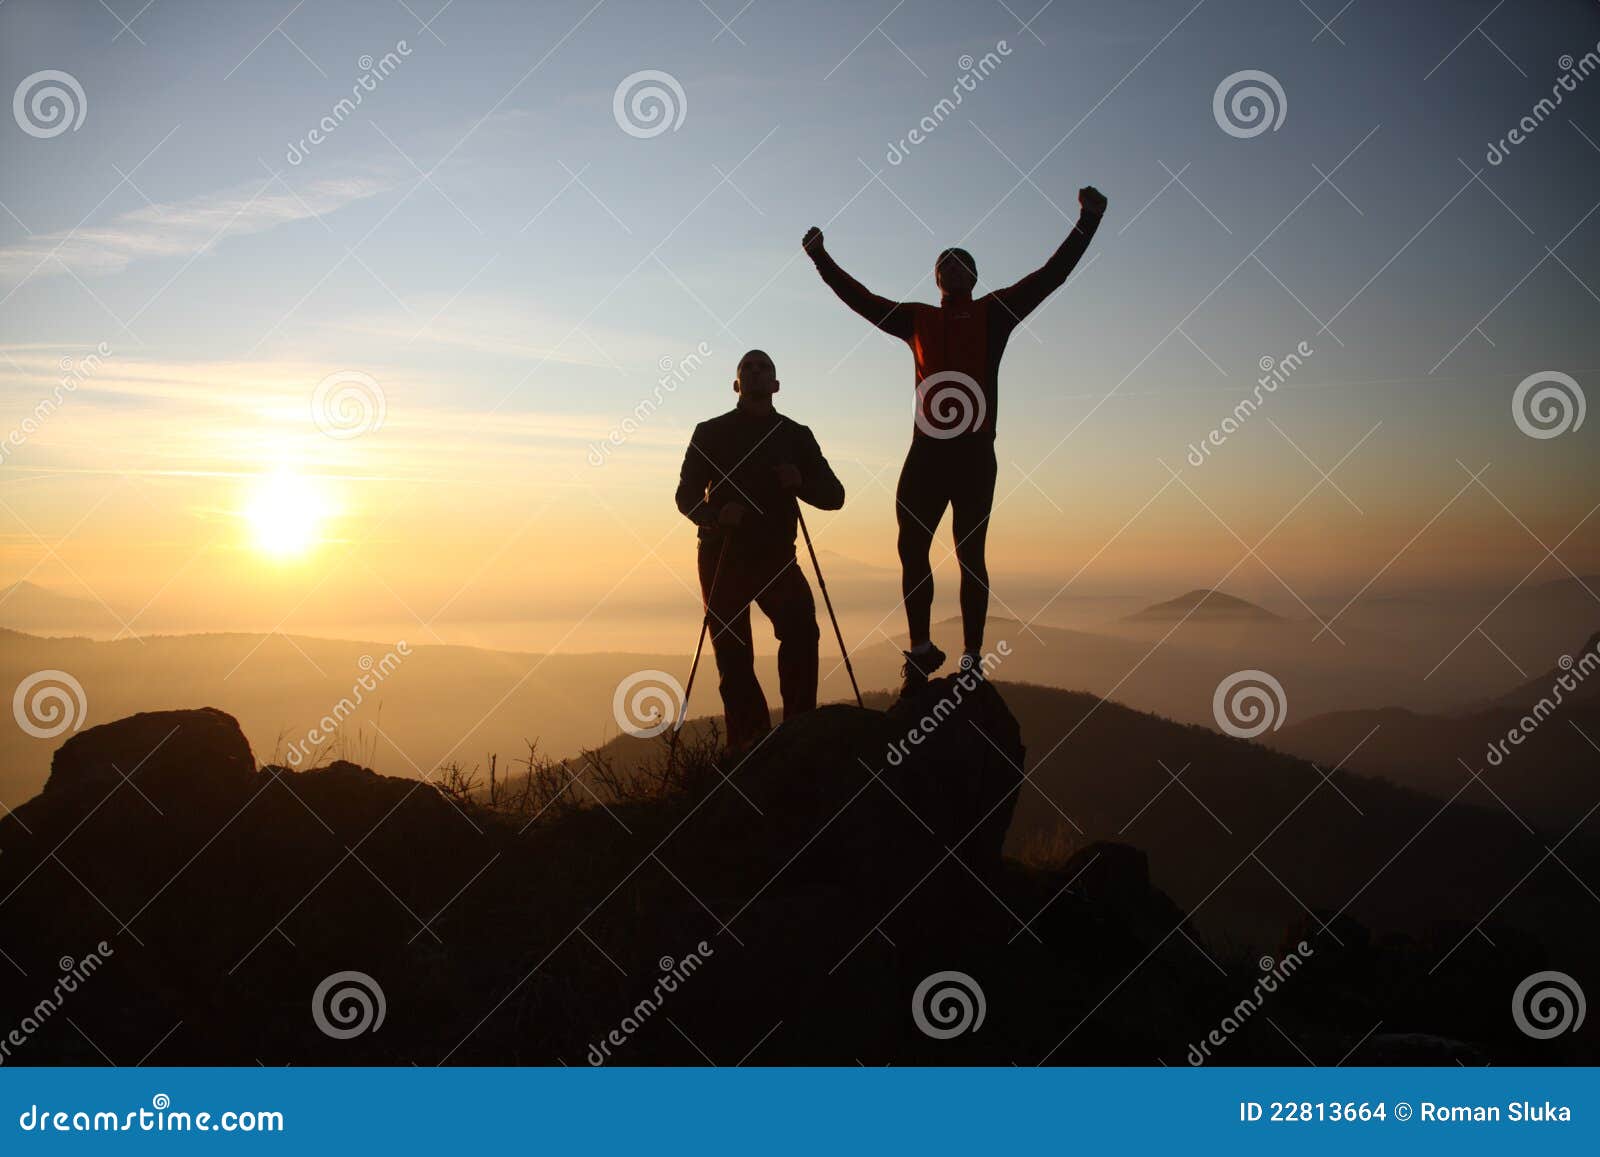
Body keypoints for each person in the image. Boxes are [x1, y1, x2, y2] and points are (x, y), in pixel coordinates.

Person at [802, 185, 1107, 692]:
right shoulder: (917, 319)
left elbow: (1051, 276)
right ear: (936, 278)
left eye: (961, 262)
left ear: (972, 276)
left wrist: (1088, 220)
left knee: (970, 553)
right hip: (926, 454)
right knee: (911, 545)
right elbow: (862, 301)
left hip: (972, 455)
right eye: (945, 263)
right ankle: (921, 649)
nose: (952, 267)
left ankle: (971, 657)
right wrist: (820, 258)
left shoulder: (995, 312)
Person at [675, 349, 846, 752]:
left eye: (762, 368)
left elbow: (834, 496)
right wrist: (717, 516)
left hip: (771, 555)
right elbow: (685, 497)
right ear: (737, 384)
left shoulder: (796, 435)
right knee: (734, 656)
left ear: (775, 384)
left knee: (801, 632)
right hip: (725, 553)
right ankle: (752, 743)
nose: (754, 373)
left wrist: (800, 479)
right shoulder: (710, 433)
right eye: (747, 369)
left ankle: (794, 733)